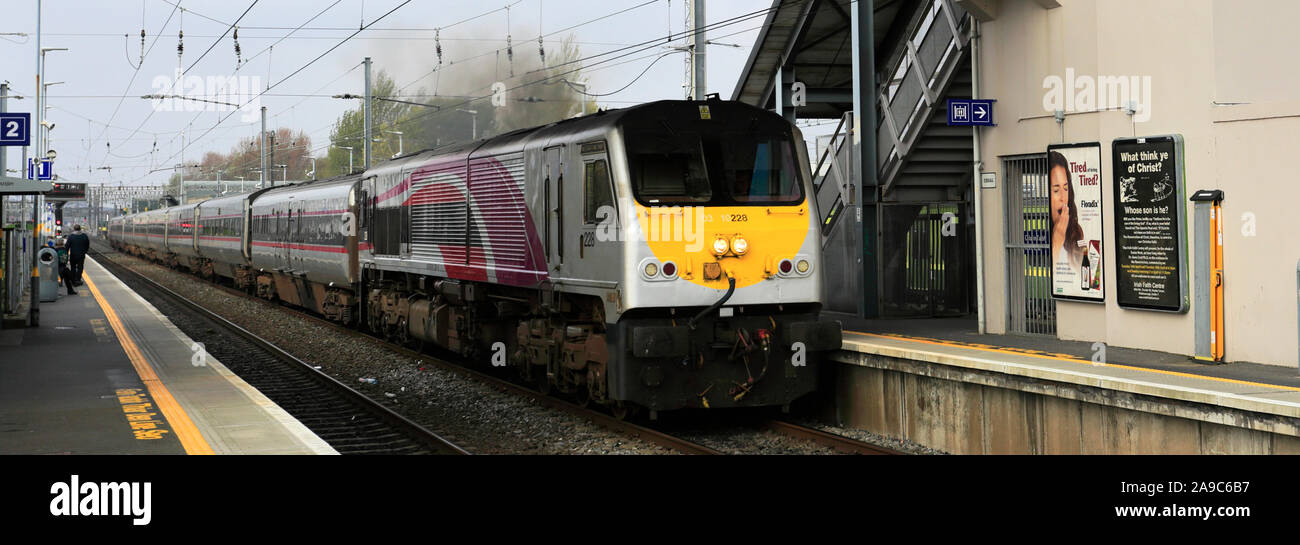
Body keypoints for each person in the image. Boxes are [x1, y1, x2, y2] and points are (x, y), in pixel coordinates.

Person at [1049, 151, 1085, 269]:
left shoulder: (1075, 233)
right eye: (1056, 190)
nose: (1063, 198)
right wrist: (1056, 243)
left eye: (1065, 188)